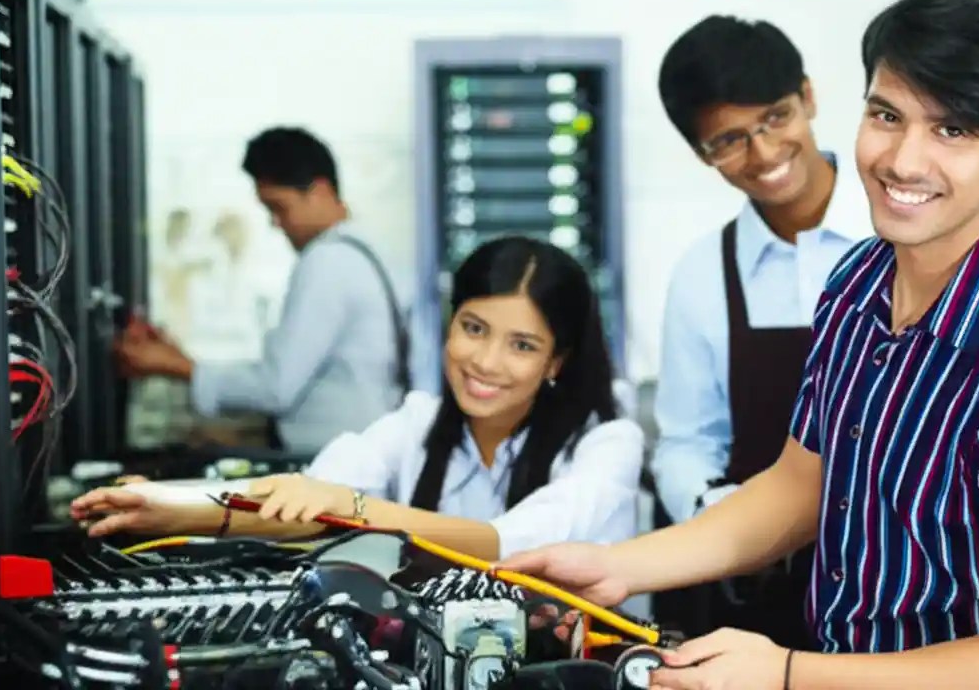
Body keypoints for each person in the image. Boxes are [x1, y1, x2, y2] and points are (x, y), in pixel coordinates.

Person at [500, 0, 979, 689]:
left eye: (953, 130)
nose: (903, 160)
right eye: (887, 115)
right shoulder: (856, 284)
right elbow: (799, 487)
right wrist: (618, 565)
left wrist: (785, 672)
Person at [73, 236, 644, 561]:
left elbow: (508, 541)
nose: (486, 362)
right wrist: (173, 506)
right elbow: (308, 500)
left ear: (556, 361)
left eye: (521, 345)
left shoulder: (608, 444)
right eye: (473, 329)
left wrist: (355, 510)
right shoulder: (418, 422)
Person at [648, 15, 871, 647]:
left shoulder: (907, 233)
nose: (765, 153)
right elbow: (686, 441)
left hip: (899, 582)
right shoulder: (701, 275)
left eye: (776, 118)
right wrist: (718, 510)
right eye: (730, 140)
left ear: (808, 97)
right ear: (702, 154)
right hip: (757, 598)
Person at [114, 127, 410, 453]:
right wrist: (180, 361)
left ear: (320, 191)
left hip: (334, 460)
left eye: (278, 208)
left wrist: (177, 366)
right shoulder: (367, 250)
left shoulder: (328, 261)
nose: (275, 223)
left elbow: (275, 388)